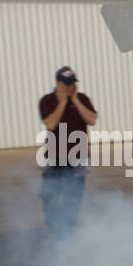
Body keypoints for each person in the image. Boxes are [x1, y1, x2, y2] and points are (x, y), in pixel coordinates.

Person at [38, 66, 97, 237]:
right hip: (55, 159)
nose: (70, 87)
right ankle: (55, 229)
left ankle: (68, 235)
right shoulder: (47, 100)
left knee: (72, 199)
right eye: (66, 84)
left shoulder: (83, 99)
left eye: (72, 83)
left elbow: (91, 120)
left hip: (77, 159)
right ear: (58, 83)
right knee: (48, 196)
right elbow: (50, 123)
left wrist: (76, 101)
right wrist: (63, 103)